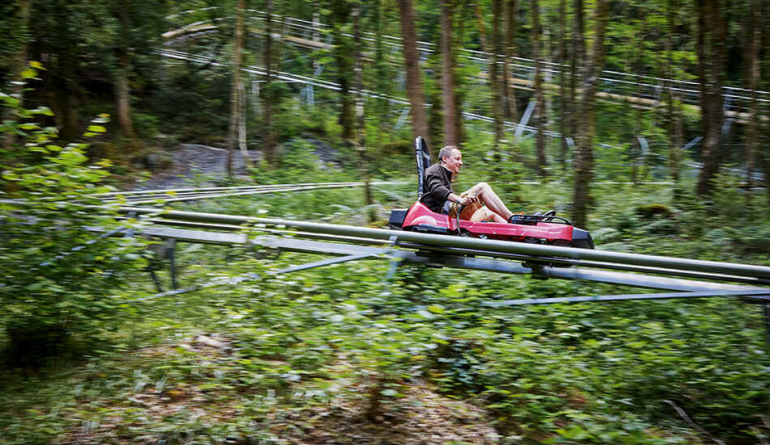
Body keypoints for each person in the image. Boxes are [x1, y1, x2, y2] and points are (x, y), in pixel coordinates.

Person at [421, 145, 517, 223]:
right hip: (443, 215)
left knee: (493, 210)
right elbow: (437, 189)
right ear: (445, 159)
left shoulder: (446, 177)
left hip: (453, 216)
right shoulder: (434, 169)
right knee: (483, 187)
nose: (461, 163)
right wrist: (460, 200)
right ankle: (512, 218)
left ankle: (516, 230)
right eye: (457, 159)